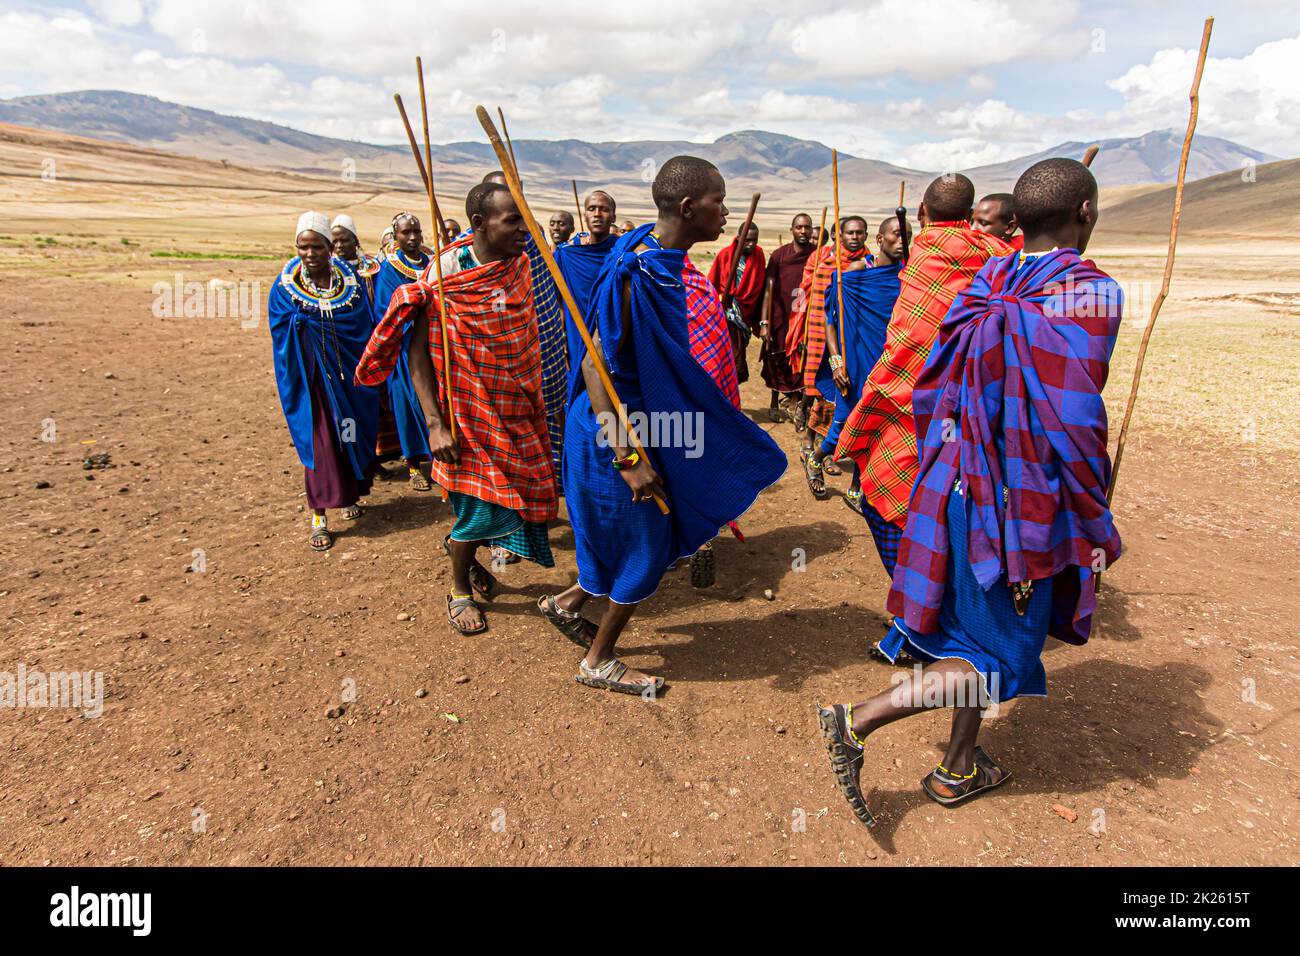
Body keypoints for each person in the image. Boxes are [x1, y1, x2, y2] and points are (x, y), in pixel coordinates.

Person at [817, 158, 1123, 827]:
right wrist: (1089, 488)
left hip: (954, 485)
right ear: (1087, 213)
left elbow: (940, 388)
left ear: (1017, 222)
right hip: (1019, 504)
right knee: (1006, 654)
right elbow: (1072, 414)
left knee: (973, 635)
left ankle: (958, 767)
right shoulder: (1089, 291)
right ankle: (857, 719)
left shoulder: (988, 281)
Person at [537, 157, 786, 694]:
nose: (727, 212)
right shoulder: (639, 275)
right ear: (690, 207)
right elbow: (593, 367)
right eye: (720, 201)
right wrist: (630, 460)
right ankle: (598, 660)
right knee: (646, 547)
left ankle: (564, 602)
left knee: (625, 538)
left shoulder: (659, 257)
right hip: (614, 434)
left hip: (651, 428)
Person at [355, 183, 559, 634]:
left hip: (515, 403)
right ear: (480, 224)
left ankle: (459, 550)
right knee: (478, 507)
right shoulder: (445, 274)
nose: (524, 230)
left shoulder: (520, 264)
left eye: (525, 220)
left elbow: (523, 333)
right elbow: (417, 353)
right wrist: (433, 423)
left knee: (521, 497)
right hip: (465, 411)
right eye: (513, 221)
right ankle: (458, 589)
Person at [836, 174, 1012, 528]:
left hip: (905, 391)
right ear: (970, 213)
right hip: (970, 401)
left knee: (898, 475)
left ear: (920, 212)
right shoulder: (1000, 256)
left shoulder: (924, 249)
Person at [269, 212, 380, 551]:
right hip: (312, 382)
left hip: (346, 379)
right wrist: (302, 326)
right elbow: (280, 331)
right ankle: (318, 516)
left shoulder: (350, 284)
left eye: (317, 247)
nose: (310, 254)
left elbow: (362, 327)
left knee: (349, 434)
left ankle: (346, 496)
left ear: (330, 248)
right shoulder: (285, 289)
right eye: (303, 247)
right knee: (320, 445)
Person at [481, 171, 568, 479]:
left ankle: (554, 474)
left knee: (550, 415)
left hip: (545, 348)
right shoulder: (474, 251)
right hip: (502, 359)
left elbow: (546, 292)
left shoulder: (533, 236)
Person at [819, 216, 907, 516]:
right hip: (855, 365)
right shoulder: (853, 274)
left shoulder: (909, 279)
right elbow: (831, 322)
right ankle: (816, 459)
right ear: (880, 239)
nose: (902, 241)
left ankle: (857, 487)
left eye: (907, 235)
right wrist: (836, 363)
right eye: (896, 234)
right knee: (844, 424)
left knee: (874, 428)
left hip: (889, 363)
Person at [791, 216, 871, 498]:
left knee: (842, 394)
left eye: (860, 233)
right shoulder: (822, 258)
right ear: (837, 234)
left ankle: (825, 451)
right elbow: (802, 289)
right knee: (818, 391)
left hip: (851, 336)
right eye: (849, 232)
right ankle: (809, 444)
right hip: (817, 329)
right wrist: (796, 322)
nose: (854, 238)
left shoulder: (869, 263)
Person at [331, 214, 401, 464]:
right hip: (347, 346)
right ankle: (363, 458)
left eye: (344, 240)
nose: (339, 246)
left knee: (378, 399)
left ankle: (382, 455)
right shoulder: (329, 273)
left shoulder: (371, 268)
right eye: (335, 241)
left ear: (355, 240)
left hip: (374, 338)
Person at [374, 212, 435, 490]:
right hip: (404, 349)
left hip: (432, 344)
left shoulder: (431, 263)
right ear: (395, 236)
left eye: (416, 232)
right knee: (406, 404)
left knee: (434, 401)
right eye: (405, 233)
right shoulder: (389, 269)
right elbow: (387, 310)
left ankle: (437, 459)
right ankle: (413, 466)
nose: (412, 238)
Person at [554, 190, 619, 398]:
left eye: (604, 209)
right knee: (581, 391)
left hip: (612, 334)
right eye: (592, 209)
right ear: (585, 216)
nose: (597, 214)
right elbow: (556, 300)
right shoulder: (566, 255)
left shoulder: (621, 252)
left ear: (613, 217)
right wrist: (561, 338)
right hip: (577, 336)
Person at [758, 213, 815, 422]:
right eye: (799, 227)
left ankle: (795, 403)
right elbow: (768, 288)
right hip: (780, 313)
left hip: (803, 314)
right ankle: (774, 402)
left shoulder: (816, 255)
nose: (803, 231)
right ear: (792, 229)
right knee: (775, 356)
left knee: (800, 358)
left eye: (807, 227)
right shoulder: (779, 255)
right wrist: (764, 322)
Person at [708, 223, 765, 385]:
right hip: (727, 312)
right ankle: (726, 393)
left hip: (747, 314)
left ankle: (729, 393)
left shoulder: (759, 255)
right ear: (739, 238)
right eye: (747, 240)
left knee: (737, 353)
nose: (751, 244)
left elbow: (758, 286)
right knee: (733, 356)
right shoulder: (725, 255)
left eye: (754, 240)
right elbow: (712, 283)